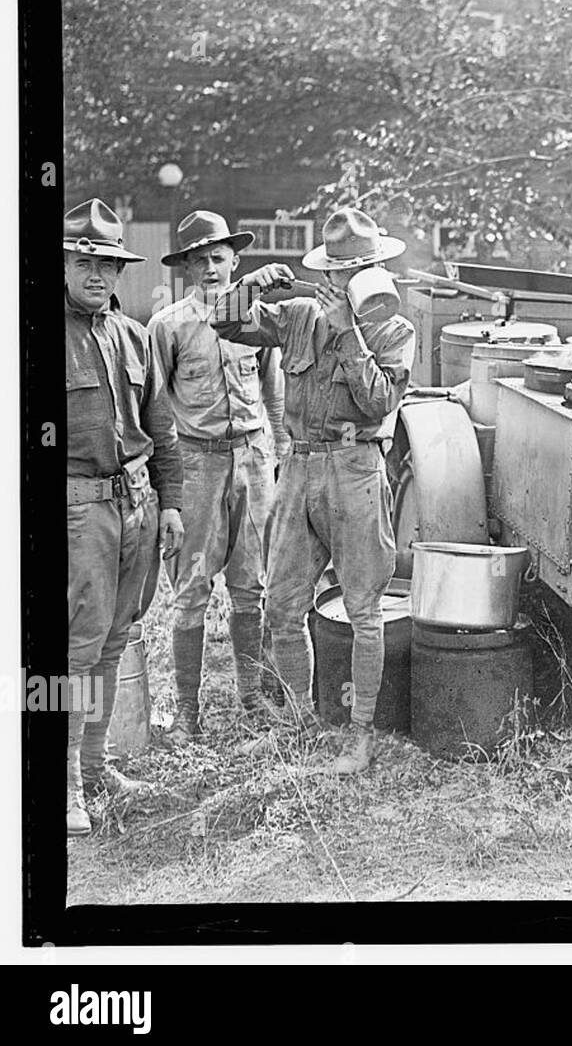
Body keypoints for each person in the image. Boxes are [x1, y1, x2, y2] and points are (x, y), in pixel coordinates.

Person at [210, 207, 414, 774]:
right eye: (334, 271)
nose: (339, 281)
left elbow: (377, 403)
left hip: (355, 469)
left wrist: (349, 333)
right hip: (299, 470)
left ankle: (361, 738)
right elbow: (225, 325)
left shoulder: (394, 329)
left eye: (352, 270)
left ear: (373, 270)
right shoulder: (299, 315)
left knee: (364, 608)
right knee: (282, 608)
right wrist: (246, 282)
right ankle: (300, 726)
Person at [65, 199, 184, 835]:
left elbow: (161, 431)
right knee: (73, 654)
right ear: (60, 262)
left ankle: (94, 765)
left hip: (136, 505)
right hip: (76, 512)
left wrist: (172, 506)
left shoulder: (133, 337)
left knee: (114, 641)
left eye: (108, 264)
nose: (97, 275)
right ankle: (63, 786)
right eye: (85, 261)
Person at [148, 211, 290, 745]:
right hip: (196, 465)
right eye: (198, 260)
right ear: (185, 266)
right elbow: (156, 408)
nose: (210, 268)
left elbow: (272, 394)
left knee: (251, 587)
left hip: (253, 459)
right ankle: (188, 712)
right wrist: (167, 485)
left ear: (236, 261)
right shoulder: (169, 326)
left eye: (218, 258)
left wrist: (276, 454)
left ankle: (251, 698)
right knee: (190, 591)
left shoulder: (260, 320)